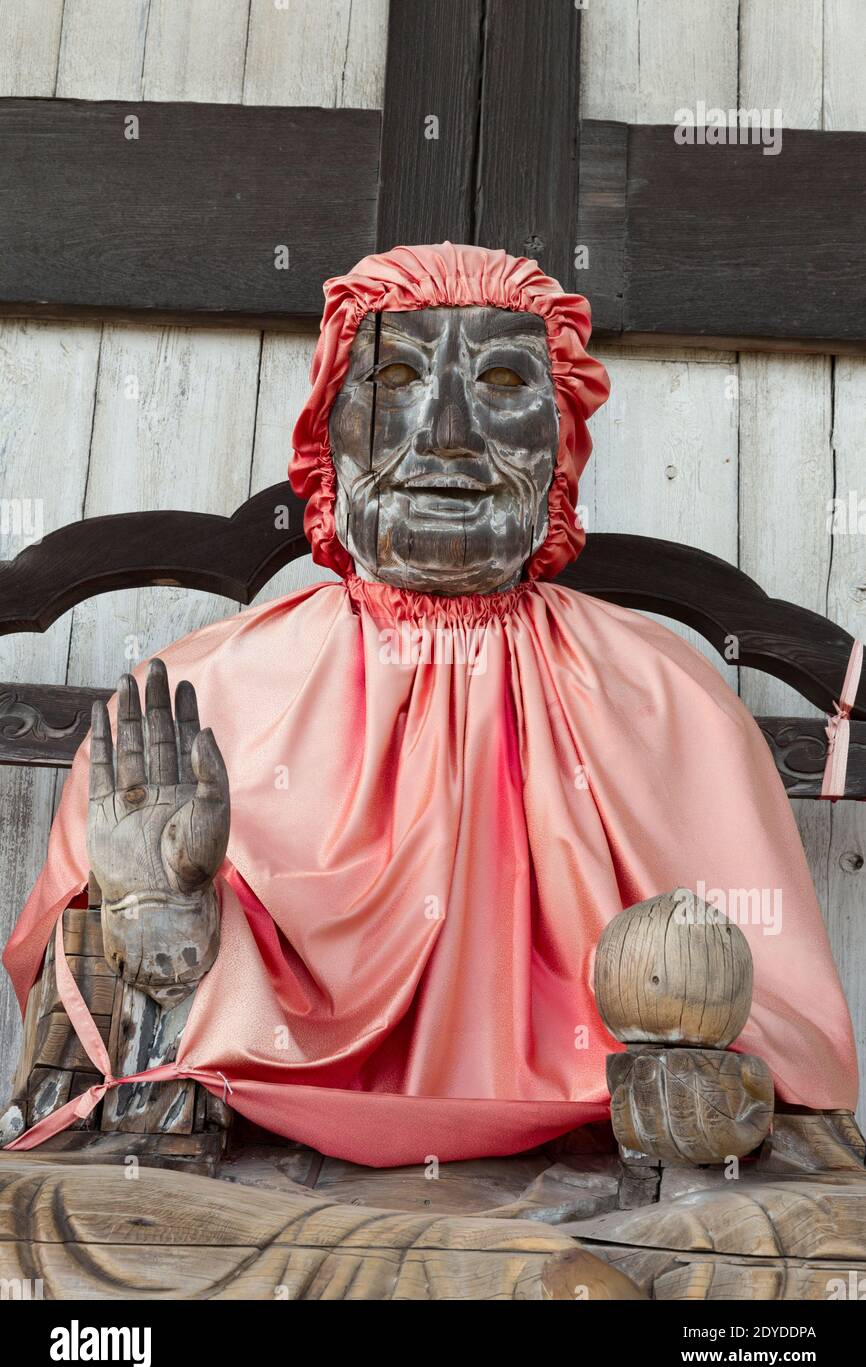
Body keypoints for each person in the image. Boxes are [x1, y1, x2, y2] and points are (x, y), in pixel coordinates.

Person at [3, 244, 858, 1166]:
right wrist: (158, 931)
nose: (449, 430)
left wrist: (696, 1075)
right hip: (248, 1162)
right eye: (398, 376)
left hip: (595, 1171)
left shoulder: (669, 698)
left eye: (499, 379)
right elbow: (82, 1091)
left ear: (563, 438)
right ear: (327, 435)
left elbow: (777, 1059)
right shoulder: (195, 702)